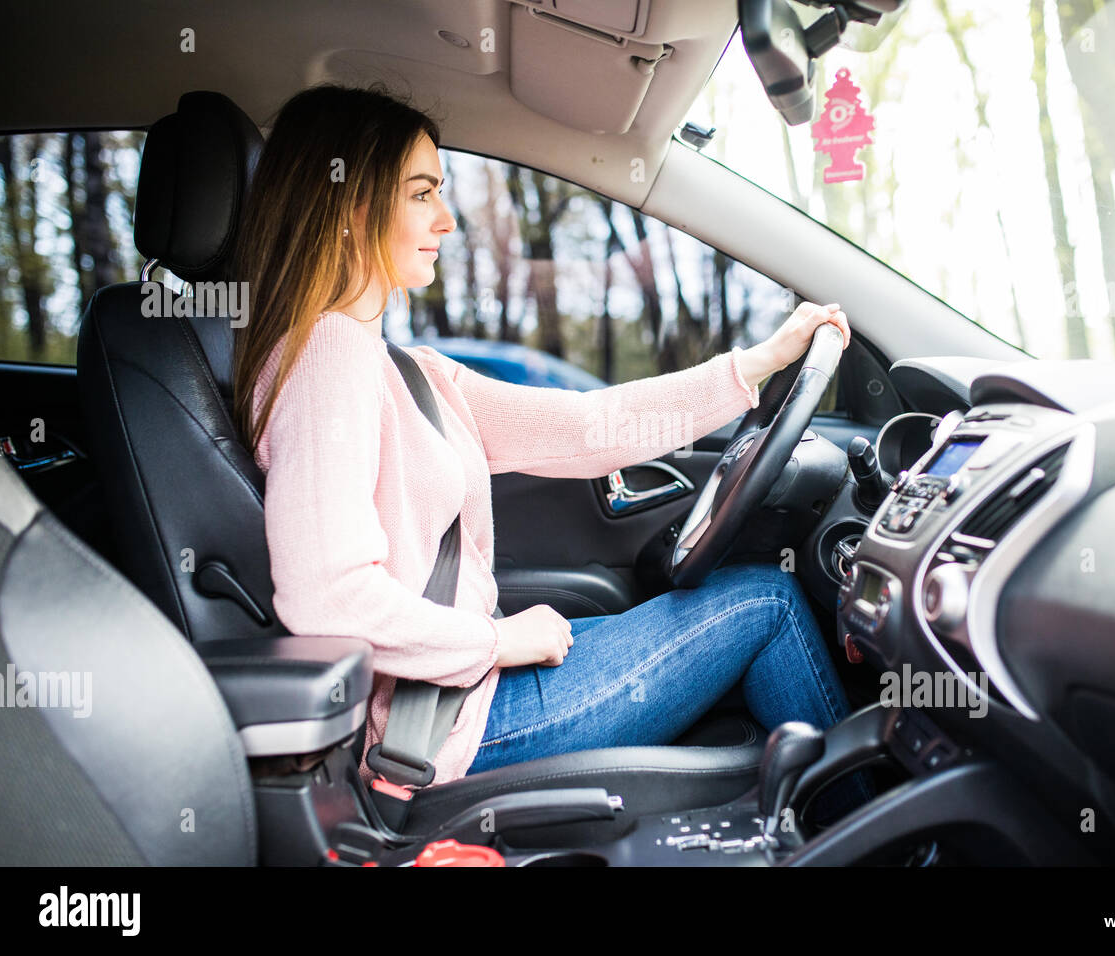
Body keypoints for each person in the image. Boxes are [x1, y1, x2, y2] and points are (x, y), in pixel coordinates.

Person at [230, 83, 875, 813]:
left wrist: (753, 364)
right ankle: (884, 839)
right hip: (440, 728)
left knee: (755, 604)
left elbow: (587, 426)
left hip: (460, 695)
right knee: (768, 603)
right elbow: (328, 599)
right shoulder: (326, 356)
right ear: (348, 206)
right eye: (421, 194)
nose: (447, 219)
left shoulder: (402, 369)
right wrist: (495, 641)